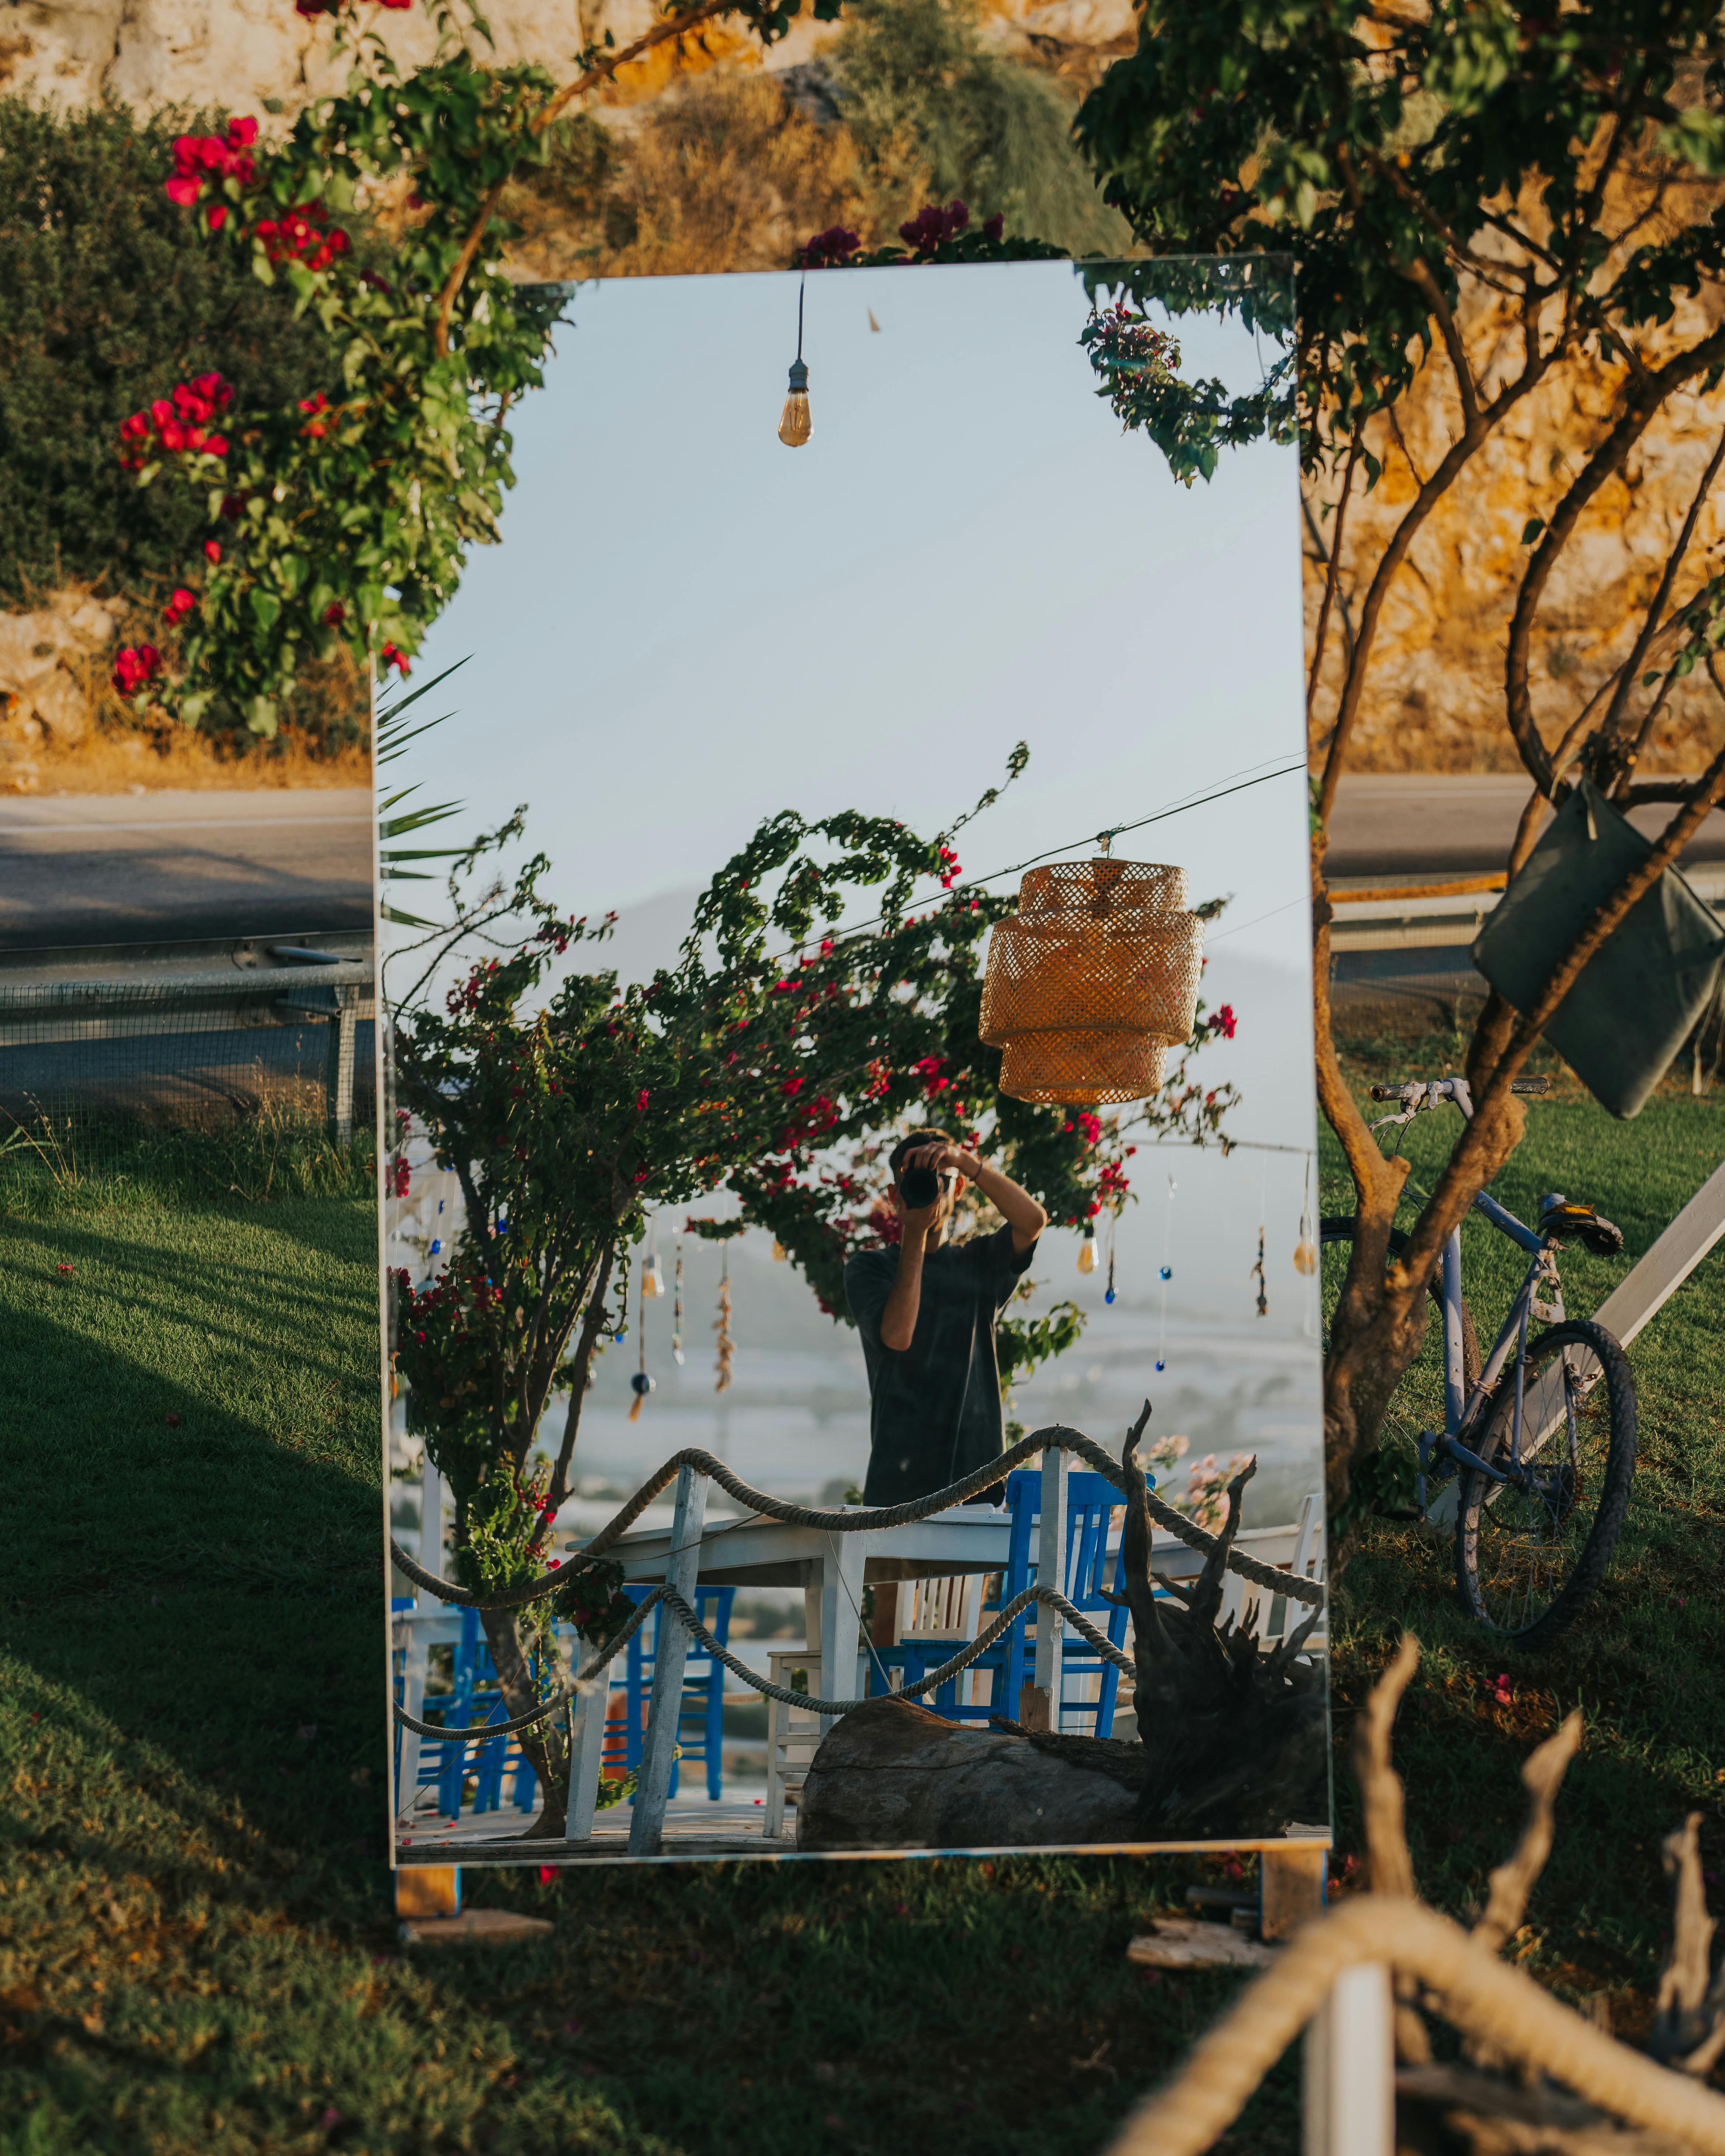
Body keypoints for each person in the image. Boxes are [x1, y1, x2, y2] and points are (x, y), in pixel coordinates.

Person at [844, 1129, 1049, 1507]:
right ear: (895, 1196)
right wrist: (916, 1232)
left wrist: (966, 1163)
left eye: (942, 1179)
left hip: (978, 1483)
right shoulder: (869, 1267)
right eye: (918, 1181)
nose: (931, 1188)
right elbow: (898, 1336)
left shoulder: (979, 1262)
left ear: (957, 1191)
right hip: (899, 1488)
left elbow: (1033, 1220)